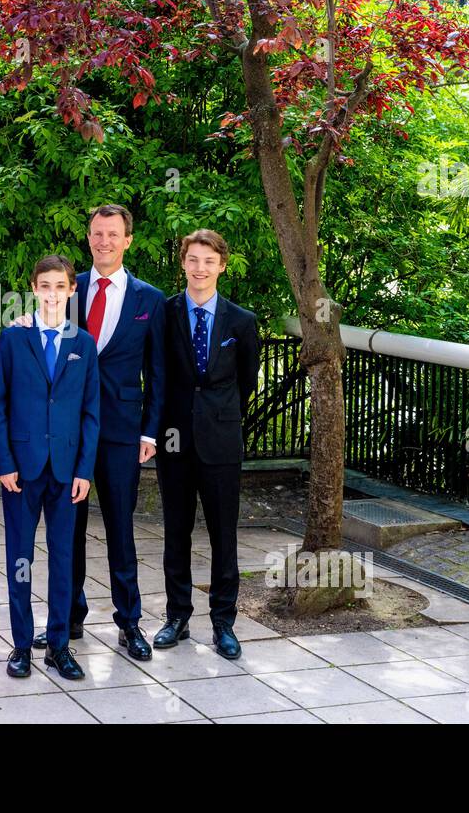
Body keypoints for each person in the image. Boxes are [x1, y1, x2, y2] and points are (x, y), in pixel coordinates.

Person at [24, 205, 165, 661]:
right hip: (68, 432)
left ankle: (130, 623)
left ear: (128, 240)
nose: (104, 241)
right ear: (89, 238)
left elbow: (158, 373)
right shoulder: (70, 288)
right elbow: (40, 341)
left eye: (113, 234)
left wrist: (150, 432)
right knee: (70, 530)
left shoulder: (149, 299)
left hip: (124, 433)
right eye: (97, 234)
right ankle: (69, 619)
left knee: (122, 529)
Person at [0, 255, 100, 681]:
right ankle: (21, 645)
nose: (53, 294)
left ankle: (58, 646)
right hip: (22, 468)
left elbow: (91, 411)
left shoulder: (83, 344)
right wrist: (4, 462)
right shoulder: (14, 339)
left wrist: (84, 470)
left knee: (62, 559)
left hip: (67, 470)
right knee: (20, 558)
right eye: (45, 286)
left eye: (61, 286)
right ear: (34, 290)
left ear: (72, 291)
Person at [154, 229, 260, 660]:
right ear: (183, 263)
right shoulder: (165, 313)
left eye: (209, 261)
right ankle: (176, 616)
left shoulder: (241, 321)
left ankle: (223, 623)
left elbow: (247, 382)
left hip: (220, 442)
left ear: (222, 266)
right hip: (174, 441)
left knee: (223, 536)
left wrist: (219, 418)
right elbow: (158, 375)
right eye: (193, 260)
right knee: (175, 534)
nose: (200, 268)